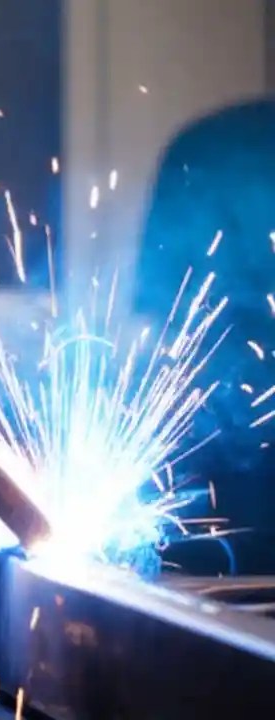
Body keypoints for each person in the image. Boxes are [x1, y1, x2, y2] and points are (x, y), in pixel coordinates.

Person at [135, 99, 275, 576]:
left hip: (218, 466)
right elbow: (162, 323)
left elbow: (159, 320)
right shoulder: (209, 145)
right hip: (217, 458)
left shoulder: (205, 141)